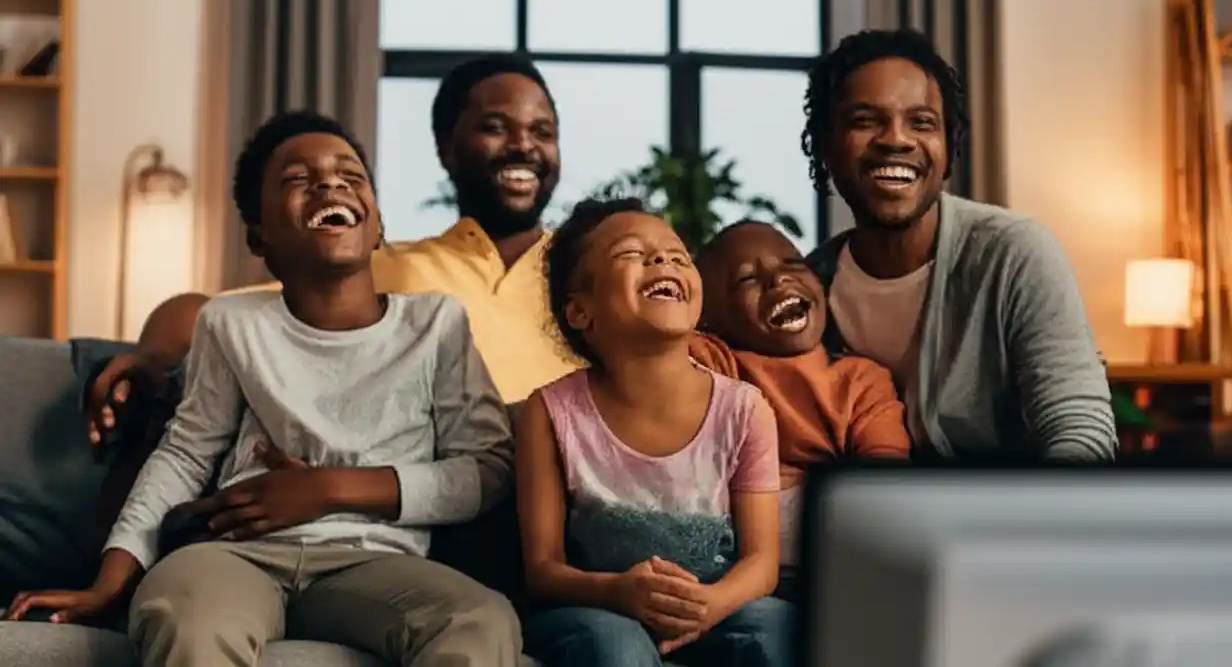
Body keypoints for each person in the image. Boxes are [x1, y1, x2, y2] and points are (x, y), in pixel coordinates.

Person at [5, 112, 522, 666]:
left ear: (378, 226)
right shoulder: (231, 323)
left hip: (375, 563)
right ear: (260, 235)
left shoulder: (437, 326)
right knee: (183, 612)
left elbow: (488, 470)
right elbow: (183, 456)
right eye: (299, 179)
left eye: (350, 176)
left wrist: (333, 489)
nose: (329, 183)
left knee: (481, 620)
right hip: (237, 556)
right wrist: (109, 579)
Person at [86, 54, 576, 458]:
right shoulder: (390, 266)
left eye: (543, 132)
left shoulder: (586, 274)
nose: (523, 146)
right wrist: (152, 362)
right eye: (496, 127)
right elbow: (192, 314)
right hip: (434, 500)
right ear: (446, 147)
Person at [800, 28, 1116, 463]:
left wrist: (1038, 523)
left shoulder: (1014, 253)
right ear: (825, 147)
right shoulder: (807, 288)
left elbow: (1081, 430)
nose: (896, 139)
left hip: (1010, 521)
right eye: (865, 120)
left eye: (922, 122)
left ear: (949, 147)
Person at [516, 198, 792, 667]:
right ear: (580, 312)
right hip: (599, 607)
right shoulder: (550, 413)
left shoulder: (744, 410)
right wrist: (617, 592)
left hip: (718, 604)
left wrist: (713, 605)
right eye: (630, 254)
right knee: (616, 647)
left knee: (777, 631)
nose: (664, 259)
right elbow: (543, 570)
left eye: (677, 255)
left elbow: (761, 564)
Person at [691, 219, 910, 595]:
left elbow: (883, 482)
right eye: (746, 280)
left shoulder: (860, 380)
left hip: (823, 555)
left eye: (793, 265)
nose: (777, 280)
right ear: (710, 316)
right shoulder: (720, 361)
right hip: (731, 560)